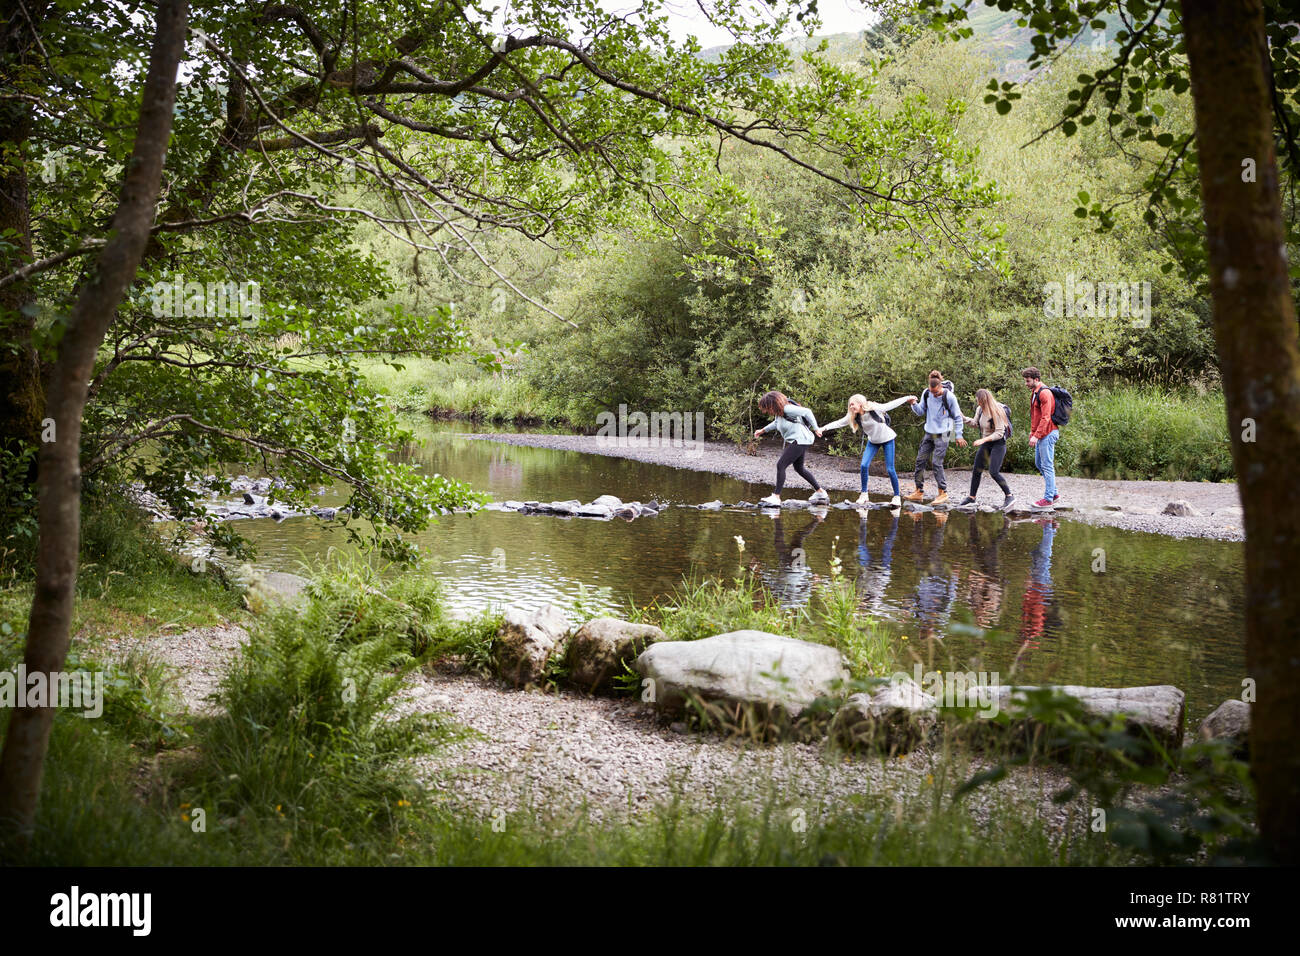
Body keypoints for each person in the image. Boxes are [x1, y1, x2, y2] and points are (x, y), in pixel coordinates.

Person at [821, 392, 917, 507]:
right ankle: (864, 494)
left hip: (888, 439)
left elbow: (890, 405)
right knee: (864, 465)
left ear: (860, 403)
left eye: (853, 404)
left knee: (890, 469)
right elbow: (839, 422)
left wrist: (907, 398)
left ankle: (896, 497)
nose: (851, 407)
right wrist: (823, 428)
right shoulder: (854, 416)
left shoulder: (874, 408)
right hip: (873, 441)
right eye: (850, 405)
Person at [752, 390, 828, 506]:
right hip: (799, 440)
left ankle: (776, 497)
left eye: (767, 407)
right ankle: (820, 492)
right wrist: (762, 430)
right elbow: (776, 423)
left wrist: (816, 428)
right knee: (799, 468)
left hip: (801, 439)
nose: (767, 411)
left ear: (773, 404)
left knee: (781, 465)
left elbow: (807, 412)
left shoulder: (787, 409)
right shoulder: (779, 413)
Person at [905, 370, 966, 506]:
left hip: (945, 432)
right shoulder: (926, 393)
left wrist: (959, 435)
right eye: (932, 392)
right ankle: (918, 491)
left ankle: (942, 493)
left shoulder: (949, 397)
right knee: (920, 461)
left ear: (941, 387)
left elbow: (957, 417)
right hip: (929, 431)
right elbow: (921, 411)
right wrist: (913, 404)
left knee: (937, 463)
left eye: (936, 392)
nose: (934, 394)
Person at [958, 387, 1015, 510]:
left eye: (979, 400)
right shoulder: (980, 409)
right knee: (976, 470)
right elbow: (975, 423)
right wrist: (962, 417)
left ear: (984, 400)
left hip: (998, 444)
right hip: (985, 443)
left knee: (994, 472)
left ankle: (1009, 496)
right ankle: (972, 497)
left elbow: (999, 433)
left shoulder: (997, 411)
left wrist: (983, 440)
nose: (977, 403)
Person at [1022, 366, 1060, 508]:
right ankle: (1054, 493)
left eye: (1028, 381)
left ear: (1036, 379)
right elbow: (1035, 416)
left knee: (1047, 466)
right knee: (1039, 464)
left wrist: (1036, 436)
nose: (1026, 384)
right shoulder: (1034, 392)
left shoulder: (1045, 393)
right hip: (1041, 434)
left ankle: (1048, 498)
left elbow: (1046, 418)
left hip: (1048, 433)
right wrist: (1033, 433)